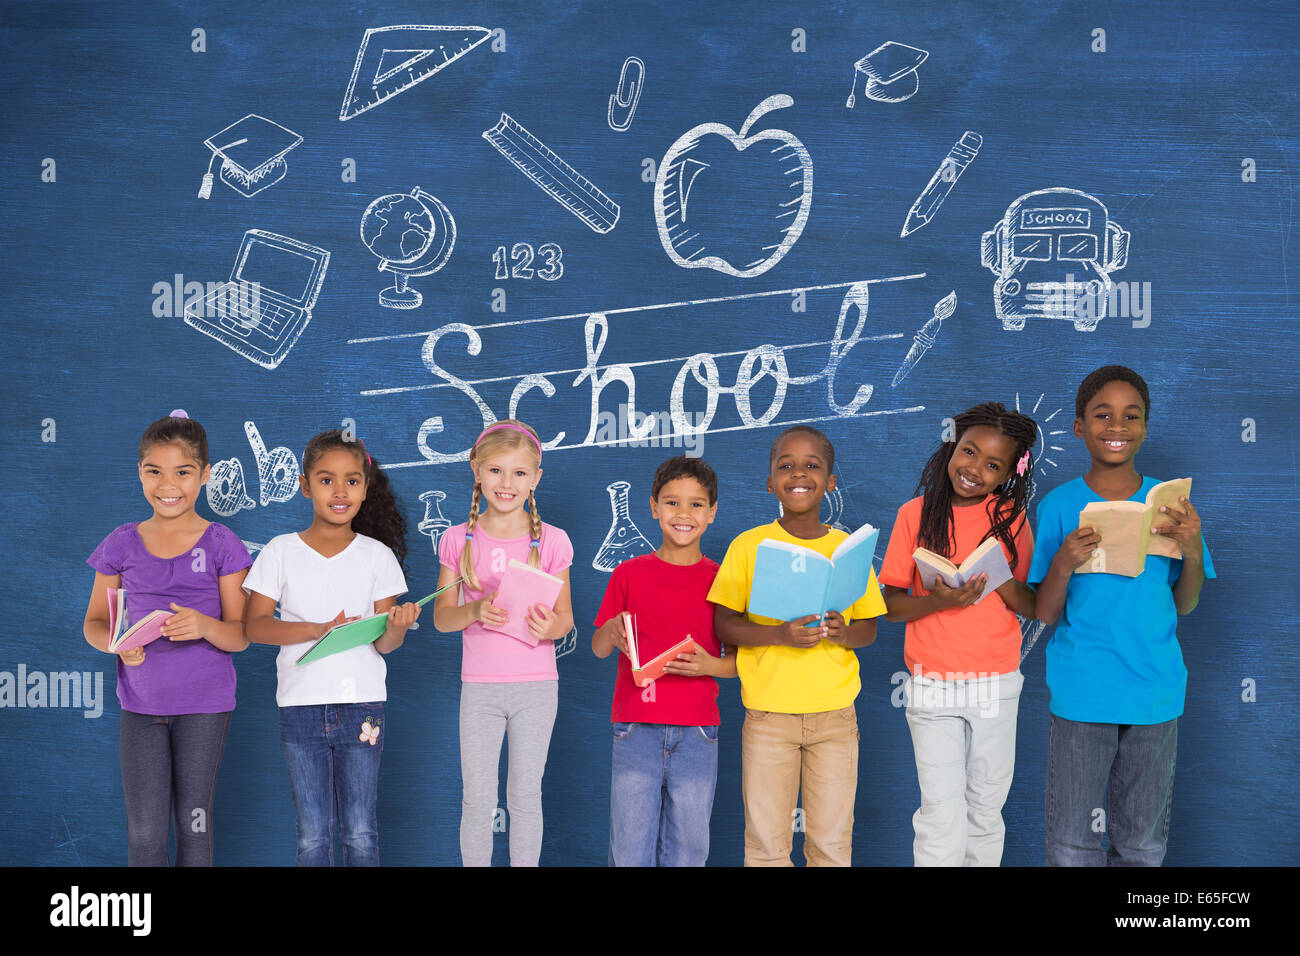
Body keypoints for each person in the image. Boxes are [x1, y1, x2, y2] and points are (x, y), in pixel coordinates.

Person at [1029, 366, 1214, 866]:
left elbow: (1185, 603)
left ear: (1146, 427)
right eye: (1103, 415)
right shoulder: (1059, 506)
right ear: (1079, 426)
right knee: (1072, 842)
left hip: (1154, 689)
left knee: (1142, 843)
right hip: (1083, 690)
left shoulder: (1170, 505)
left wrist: (1192, 550)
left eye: (1131, 416)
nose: (1117, 426)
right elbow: (1045, 611)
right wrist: (1064, 563)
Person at [708, 425, 886, 866]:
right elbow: (723, 624)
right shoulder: (749, 546)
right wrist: (778, 634)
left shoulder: (847, 549)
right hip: (769, 715)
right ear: (770, 482)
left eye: (812, 466)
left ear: (830, 481)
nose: (798, 474)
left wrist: (844, 631)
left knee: (831, 845)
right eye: (785, 466)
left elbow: (869, 629)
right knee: (767, 847)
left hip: (835, 717)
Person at [243, 430, 420, 866]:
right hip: (300, 705)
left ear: (365, 488)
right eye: (326, 480)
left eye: (352, 481)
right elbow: (255, 626)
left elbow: (384, 643)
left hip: (363, 706)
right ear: (305, 486)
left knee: (360, 832)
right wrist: (319, 628)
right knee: (311, 835)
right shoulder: (281, 551)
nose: (340, 492)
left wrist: (397, 625)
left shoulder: (378, 556)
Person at [83, 410, 252, 866]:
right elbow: (95, 622)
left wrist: (204, 627)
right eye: (154, 471)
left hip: (204, 709)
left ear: (205, 476)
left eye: (183, 472)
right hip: (141, 709)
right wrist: (115, 644)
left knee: (193, 826)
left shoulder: (221, 544)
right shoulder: (121, 544)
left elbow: (240, 635)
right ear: (140, 473)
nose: (167, 484)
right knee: (144, 834)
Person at [879, 402, 1039, 866]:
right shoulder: (915, 514)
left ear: (1010, 473)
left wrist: (998, 575)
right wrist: (939, 601)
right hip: (931, 683)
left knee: (986, 811)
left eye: (993, 465)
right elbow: (888, 605)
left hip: (995, 683)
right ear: (952, 445)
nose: (975, 469)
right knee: (939, 813)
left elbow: (1028, 604)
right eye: (969, 452)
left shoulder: (1011, 517)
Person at [433, 420, 574, 867]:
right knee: (477, 800)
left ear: (535, 478)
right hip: (480, 688)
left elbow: (567, 619)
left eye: (518, 473)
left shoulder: (552, 541)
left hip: (536, 687)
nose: (506, 483)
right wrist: (475, 611)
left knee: (525, 797)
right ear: (476, 470)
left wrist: (551, 626)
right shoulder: (457, 540)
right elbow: (441, 619)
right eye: (495, 471)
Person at [592, 455, 736, 866]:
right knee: (631, 843)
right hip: (635, 728)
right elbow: (599, 647)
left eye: (696, 504)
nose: (683, 514)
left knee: (689, 847)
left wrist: (710, 665)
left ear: (712, 513)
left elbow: (743, 661)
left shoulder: (722, 579)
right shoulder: (628, 574)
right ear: (653, 507)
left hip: (698, 732)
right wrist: (612, 631)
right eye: (672, 503)